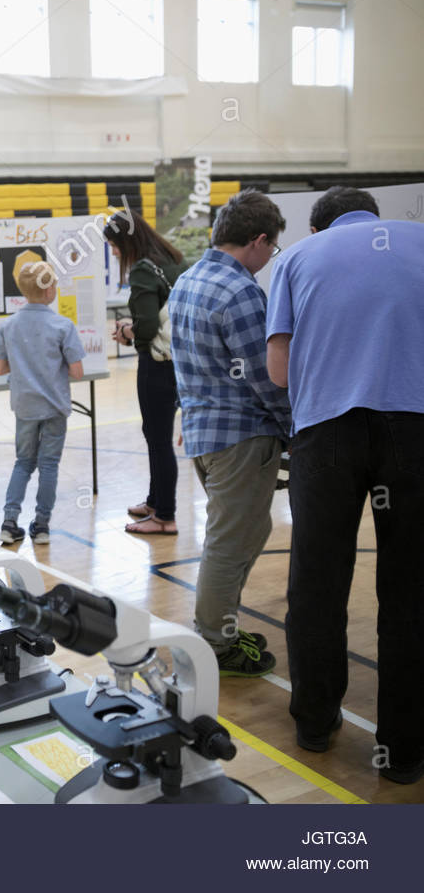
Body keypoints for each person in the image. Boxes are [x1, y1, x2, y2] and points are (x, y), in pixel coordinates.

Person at [266, 186, 424, 783]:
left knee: (318, 580)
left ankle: (314, 721)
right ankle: (405, 751)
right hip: (415, 426)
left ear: (320, 227)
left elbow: (279, 372)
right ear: (374, 217)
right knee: (410, 590)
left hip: (326, 432)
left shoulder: (300, 259)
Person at [167, 189, 290, 678]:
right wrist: (296, 428)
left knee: (246, 531)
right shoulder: (241, 292)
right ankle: (215, 644)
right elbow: (266, 378)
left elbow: (180, 360)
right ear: (258, 241)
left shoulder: (187, 280)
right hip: (241, 438)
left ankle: (224, 626)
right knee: (229, 542)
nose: (269, 259)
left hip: (205, 434)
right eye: (272, 249)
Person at [106, 211, 187, 536]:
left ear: (126, 242)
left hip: (156, 364)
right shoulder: (174, 259)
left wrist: (128, 331)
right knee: (158, 434)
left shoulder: (142, 269)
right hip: (178, 361)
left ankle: (164, 516)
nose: (113, 252)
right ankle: (156, 501)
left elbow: (149, 327)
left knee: (158, 439)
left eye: (113, 245)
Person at [0, 262, 85, 546]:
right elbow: (77, 371)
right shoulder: (63, 326)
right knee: (49, 465)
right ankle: (42, 526)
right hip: (55, 407)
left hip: (24, 407)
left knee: (23, 462)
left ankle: (9, 522)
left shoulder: (8, 325)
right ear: (48, 290)